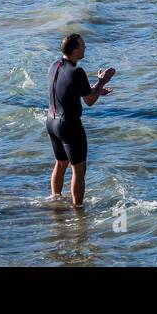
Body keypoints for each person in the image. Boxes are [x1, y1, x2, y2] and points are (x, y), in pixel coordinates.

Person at [46, 33, 114, 207]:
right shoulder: (77, 71)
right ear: (75, 50)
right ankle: (78, 210)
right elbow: (89, 101)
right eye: (83, 45)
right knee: (79, 169)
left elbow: (68, 89)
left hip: (52, 122)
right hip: (69, 125)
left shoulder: (54, 66)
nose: (85, 48)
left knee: (60, 164)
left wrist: (96, 89)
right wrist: (102, 81)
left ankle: (56, 200)